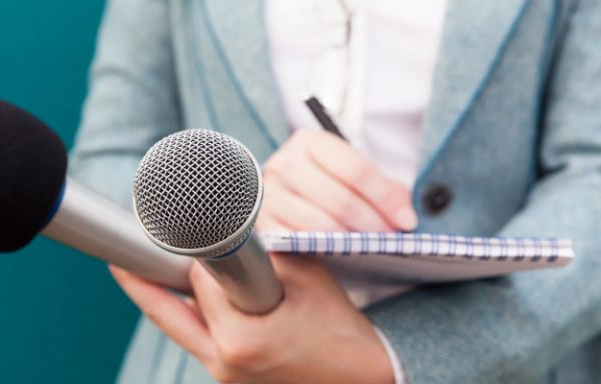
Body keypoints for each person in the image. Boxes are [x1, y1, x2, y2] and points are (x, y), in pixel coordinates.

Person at [70, 0, 601, 382]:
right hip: (216, 365)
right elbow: (110, 157)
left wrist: (395, 356)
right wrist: (234, 206)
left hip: (504, 362)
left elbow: (592, 171)